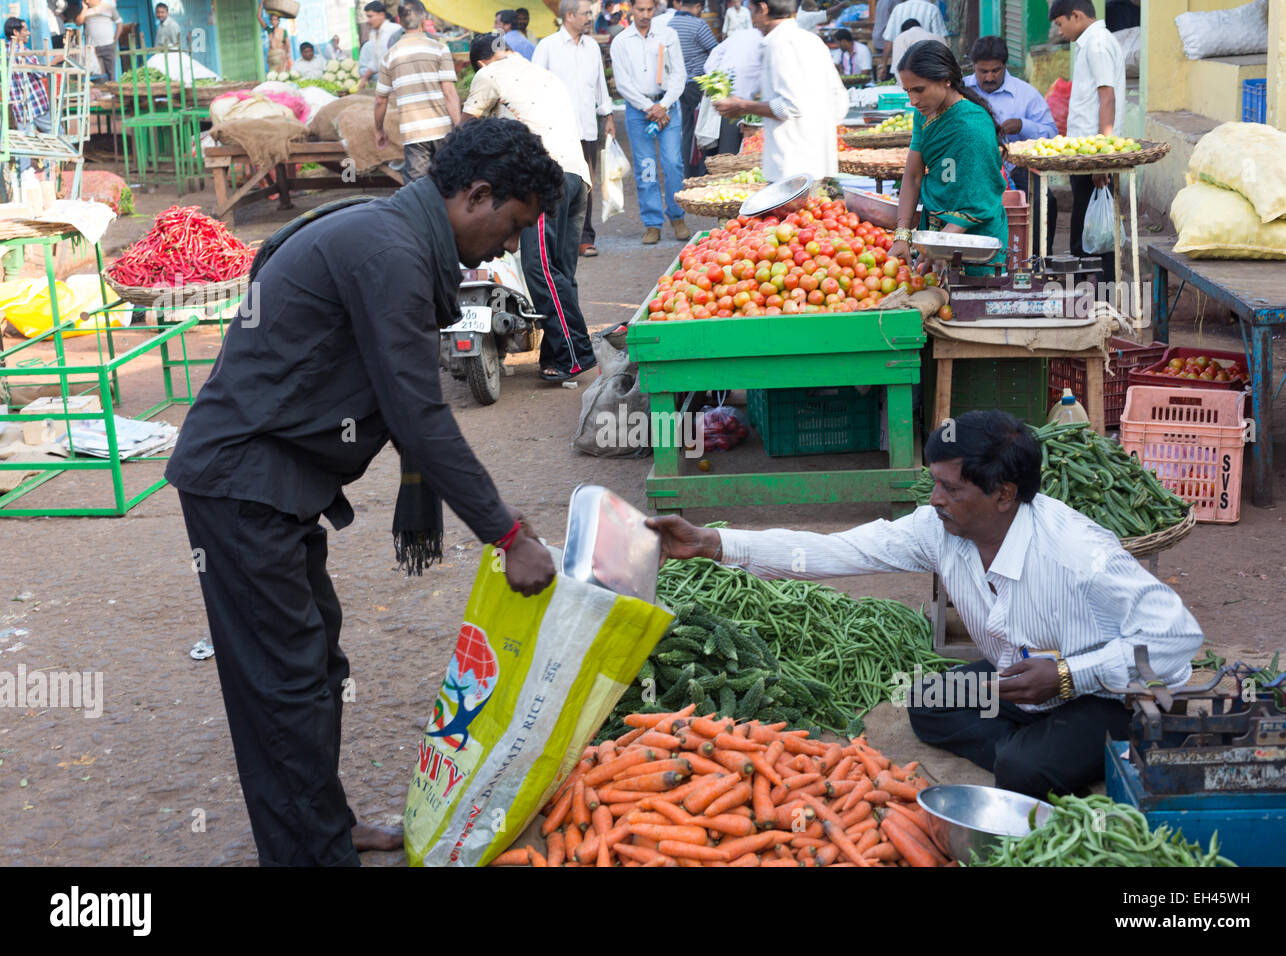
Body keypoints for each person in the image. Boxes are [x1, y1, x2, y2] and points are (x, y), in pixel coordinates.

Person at [166, 117, 562, 867]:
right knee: (283, 686)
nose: (511, 246)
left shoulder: (392, 236)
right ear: (476, 196)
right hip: (244, 484)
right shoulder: (388, 250)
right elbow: (417, 413)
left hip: (278, 483)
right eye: (513, 225)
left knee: (316, 669)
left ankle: (326, 828)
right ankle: (312, 856)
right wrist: (506, 534)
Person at [647, 410, 1203, 799]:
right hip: (1022, 682)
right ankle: (1052, 755)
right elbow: (838, 550)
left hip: (1105, 695)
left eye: (950, 488)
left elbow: (1178, 641)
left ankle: (1064, 753)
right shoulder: (938, 528)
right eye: (933, 483)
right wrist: (714, 543)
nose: (934, 499)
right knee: (929, 701)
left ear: (1003, 494)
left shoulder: (1080, 555)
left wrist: (1069, 675)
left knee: (1019, 768)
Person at [465, 34, 598, 384]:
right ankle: (555, 357)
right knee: (561, 275)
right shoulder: (545, 76)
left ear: (481, 62)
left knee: (538, 269)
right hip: (577, 176)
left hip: (543, 181)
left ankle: (576, 353)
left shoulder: (488, 74)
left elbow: (466, 132)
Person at [888, 41, 1007, 276]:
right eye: (907, 91)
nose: (912, 100)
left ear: (946, 80)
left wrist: (940, 246)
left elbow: (980, 199)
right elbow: (913, 176)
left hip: (972, 243)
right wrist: (902, 234)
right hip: (935, 235)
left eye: (918, 89)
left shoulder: (972, 126)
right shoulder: (924, 114)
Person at [713, 0, 848, 182]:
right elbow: (840, 101)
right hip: (818, 162)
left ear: (764, 9)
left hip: (790, 167)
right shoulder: (811, 40)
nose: (753, 20)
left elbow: (789, 107)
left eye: (752, 11)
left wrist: (743, 106)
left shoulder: (779, 44)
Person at [533, 0, 616, 257]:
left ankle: (584, 238)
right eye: (585, 14)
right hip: (555, 130)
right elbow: (534, 85)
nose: (589, 18)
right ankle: (556, 241)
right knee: (557, 184)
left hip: (587, 128)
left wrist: (608, 115)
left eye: (589, 13)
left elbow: (600, 85)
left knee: (585, 185)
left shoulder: (591, 46)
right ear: (569, 16)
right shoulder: (547, 46)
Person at [1051, 0, 1125, 283]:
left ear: (1076, 15)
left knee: (1091, 225)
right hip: (1085, 151)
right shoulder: (1091, 43)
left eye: (1060, 24)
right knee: (1085, 220)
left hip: (1093, 153)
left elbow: (1108, 98)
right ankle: (1085, 287)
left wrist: (1101, 159)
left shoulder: (1096, 44)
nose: (1059, 31)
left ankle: (1097, 291)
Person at [966, 34, 1059, 255]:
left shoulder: (1025, 94)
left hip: (1016, 169)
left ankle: (1036, 259)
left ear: (1005, 66)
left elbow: (1052, 134)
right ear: (974, 67)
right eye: (983, 71)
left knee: (1045, 202)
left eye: (995, 71)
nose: (989, 77)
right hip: (972, 168)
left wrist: (1023, 125)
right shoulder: (962, 91)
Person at [609, 0, 688, 245]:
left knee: (673, 163)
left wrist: (663, 105)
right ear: (630, 9)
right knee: (646, 167)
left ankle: (677, 217)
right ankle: (652, 223)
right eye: (640, 10)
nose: (645, 15)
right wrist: (649, 108)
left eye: (649, 10)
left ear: (656, 10)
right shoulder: (620, 41)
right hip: (638, 111)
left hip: (668, 108)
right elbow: (622, 83)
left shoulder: (668, 35)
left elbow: (679, 73)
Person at [375, 0, 460, 184]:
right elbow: (449, 92)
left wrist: (379, 129)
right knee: (448, 185)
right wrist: (460, 126)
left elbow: (380, 100)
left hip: (413, 133)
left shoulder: (390, 56)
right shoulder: (439, 49)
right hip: (442, 130)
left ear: (399, 20)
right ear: (424, 19)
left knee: (417, 191)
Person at [667, 0, 716, 179]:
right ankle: (701, 172)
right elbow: (715, 52)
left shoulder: (670, 25)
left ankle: (689, 173)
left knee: (687, 129)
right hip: (697, 84)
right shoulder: (698, 25)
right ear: (697, 6)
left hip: (679, 86)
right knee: (702, 128)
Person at [5, 18, 58, 172]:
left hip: (19, 106)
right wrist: (55, 62)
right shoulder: (23, 52)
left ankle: (24, 177)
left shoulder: (4, 51)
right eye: (25, 30)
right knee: (55, 134)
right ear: (16, 32)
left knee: (24, 143)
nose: (28, 33)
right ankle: (52, 170)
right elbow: (40, 71)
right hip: (35, 104)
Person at [703, 24, 761, 155]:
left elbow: (710, 63)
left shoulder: (739, 35)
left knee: (729, 151)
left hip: (731, 98)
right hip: (749, 102)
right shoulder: (771, 39)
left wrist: (718, 87)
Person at [880, 0, 945, 78]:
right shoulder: (932, 9)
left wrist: (883, 65)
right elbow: (941, 40)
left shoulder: (898, 9)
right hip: (926, 67)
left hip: (901, 68)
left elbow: (889, 40)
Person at [75, 0, 124, 80]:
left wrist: (115, 39)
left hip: (108, 46)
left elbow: (119, 23)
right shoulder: (85, 11)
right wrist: (84, 9)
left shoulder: (108, 7)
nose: (86, 1)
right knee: (99, 76)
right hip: (93, 49)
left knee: (112, 75)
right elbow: (78, 22)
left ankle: (113, 92)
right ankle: (103, 92)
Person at [885, 16, 943, 80]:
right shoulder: (939, 37)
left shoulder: (901, 38)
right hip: (940, 81)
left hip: (917, 82)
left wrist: (906, 88)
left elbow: (898, 67)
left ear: (903, 31)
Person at [359, 1, 401, 85]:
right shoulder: (373, 34)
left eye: (370, 16)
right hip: (386, 81)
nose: (368, 20)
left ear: (381, 15)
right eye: (367, 17)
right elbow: (376, 62)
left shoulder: (395, 30)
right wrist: (364, 78)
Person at [257, 1, 292, 75]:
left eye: (275, 19)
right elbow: (259, 17)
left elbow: (287, 44)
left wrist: (288, 56)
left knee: (282, 75)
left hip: (281, 57)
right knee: (273, 76)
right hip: (272, 57)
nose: (273, 21)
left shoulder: (283, 31)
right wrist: (261, 4)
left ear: (278, 21)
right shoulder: (270, 30)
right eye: (272, 20)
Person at [870, 0, 902, 73]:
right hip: (886, 42)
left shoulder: (881, 1)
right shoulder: (895, 2)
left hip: (878, 39)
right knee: (890, 71)